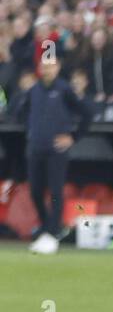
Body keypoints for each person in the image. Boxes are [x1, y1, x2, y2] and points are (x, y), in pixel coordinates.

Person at [11, 56, 90, 255]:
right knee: (35, 192)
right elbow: (20, 113)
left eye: (51, 66)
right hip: (35, 148)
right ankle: (48, 227)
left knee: (56, 192)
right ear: (39, 68)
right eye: (44, 66)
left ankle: (52, 234)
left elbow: (87, 114)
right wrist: (31, 131)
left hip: (57, 150)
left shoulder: (64, 90)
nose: (47, 70)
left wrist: (73, 136)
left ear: (57, 68)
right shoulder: (33, 91)